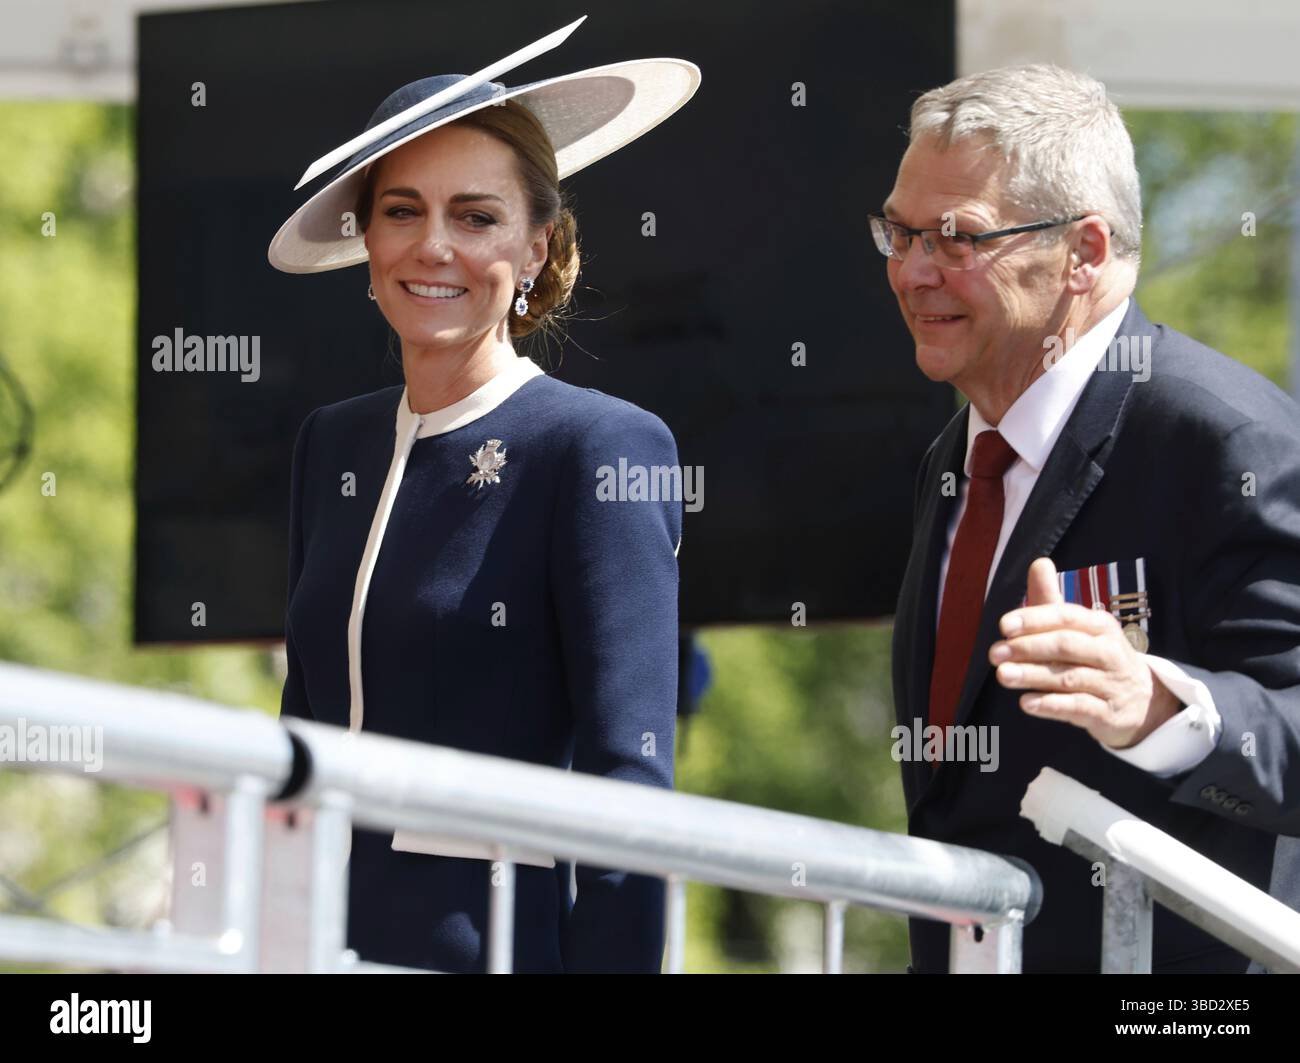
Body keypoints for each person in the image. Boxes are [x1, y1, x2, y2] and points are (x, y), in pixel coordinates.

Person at [267, 22, 701, 973]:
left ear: (537, 246)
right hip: (302, 941)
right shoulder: (330, 442)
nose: (434, 246)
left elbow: (630, 773)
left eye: (475, 216)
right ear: (367, 237)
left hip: (489, 949)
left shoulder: (599, 444)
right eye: (401, 211)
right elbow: (299, 721)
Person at [876, 64, 1300, 973]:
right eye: (901, 232)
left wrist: (1164, 708)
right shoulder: (954, 459)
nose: (911, 270)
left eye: (957, 238)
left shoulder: (1224, 438)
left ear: (1087, 251)